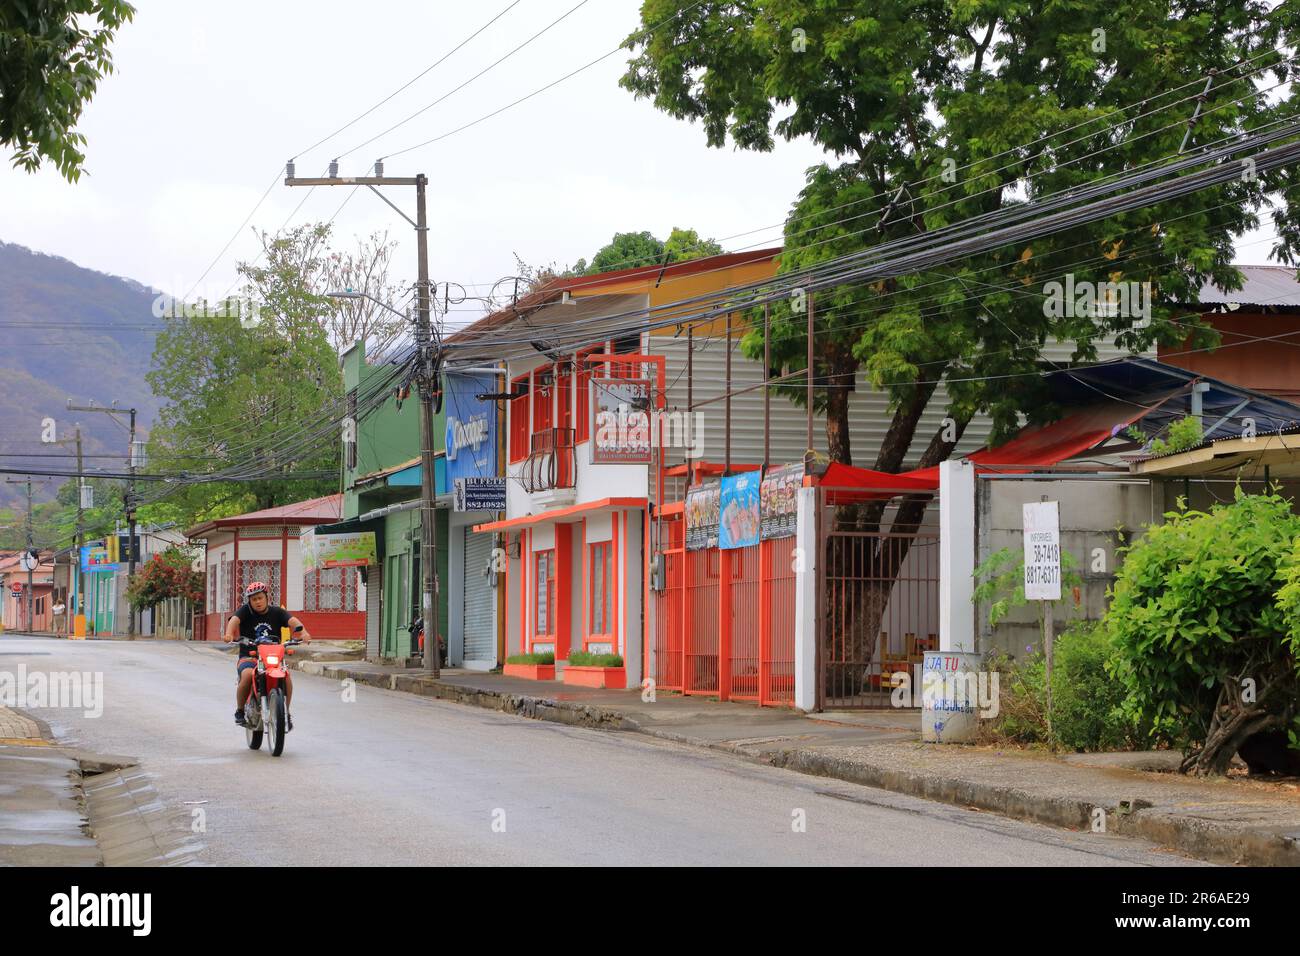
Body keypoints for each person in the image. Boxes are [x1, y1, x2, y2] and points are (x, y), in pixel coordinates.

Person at [225, 582, 311, 730]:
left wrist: (303, 633)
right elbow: (234, 620)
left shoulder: (277, 612)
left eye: (260, 598)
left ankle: (285, 713)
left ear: (266, 597)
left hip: (272, 657)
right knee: (246, 675)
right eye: (254, 599)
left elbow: (292, 621)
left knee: (286, 677)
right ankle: (239, 711)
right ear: (250, 602)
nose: (257, 602)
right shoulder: (245, 611)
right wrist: (228, 633)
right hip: (249, 656)